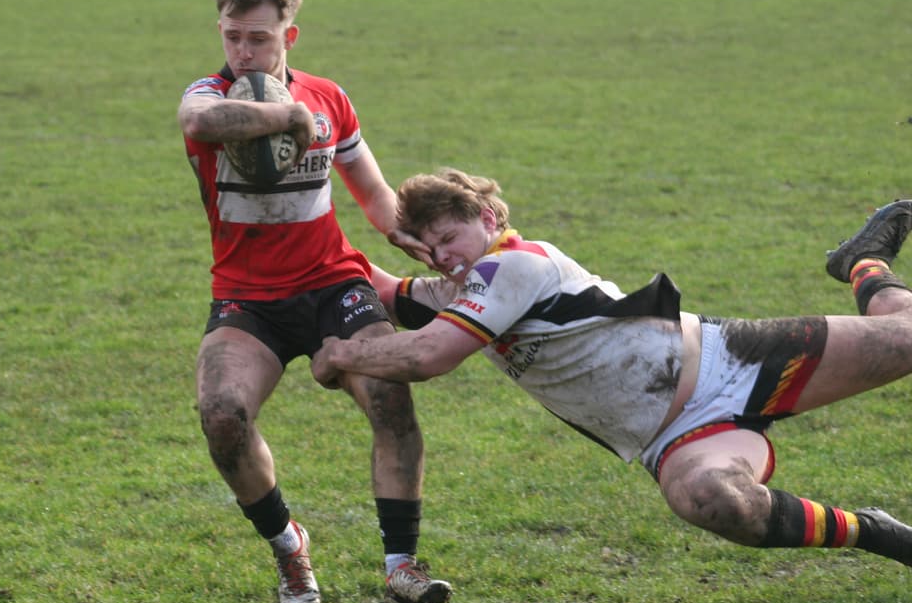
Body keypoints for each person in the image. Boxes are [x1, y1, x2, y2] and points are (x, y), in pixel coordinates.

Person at [312, 167, 912, 572]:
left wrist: (341, 354)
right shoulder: (461, 288)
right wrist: (305, 242)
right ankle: (877, 531)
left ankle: (863, 265)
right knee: (718, 503)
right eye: (432, 248)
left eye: (451, 237)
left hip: (732, 363)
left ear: (489, 220)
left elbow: (427, 355)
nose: (445, 256)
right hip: (674, 440)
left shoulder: (515, 266)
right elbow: (380, 286)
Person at [177, 0, 452, 603]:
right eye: (231, 36)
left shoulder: (329, 97)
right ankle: (288, 547)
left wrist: (409, 237)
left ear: (289, 37)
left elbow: (373, 192)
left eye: (259, 38)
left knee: (391, 401)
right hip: (248, 299)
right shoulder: (208, 96)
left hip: (335, 284)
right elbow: (198, 123)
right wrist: (288, 119)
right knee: (222, 417)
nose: (243, 51)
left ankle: (401, 567)